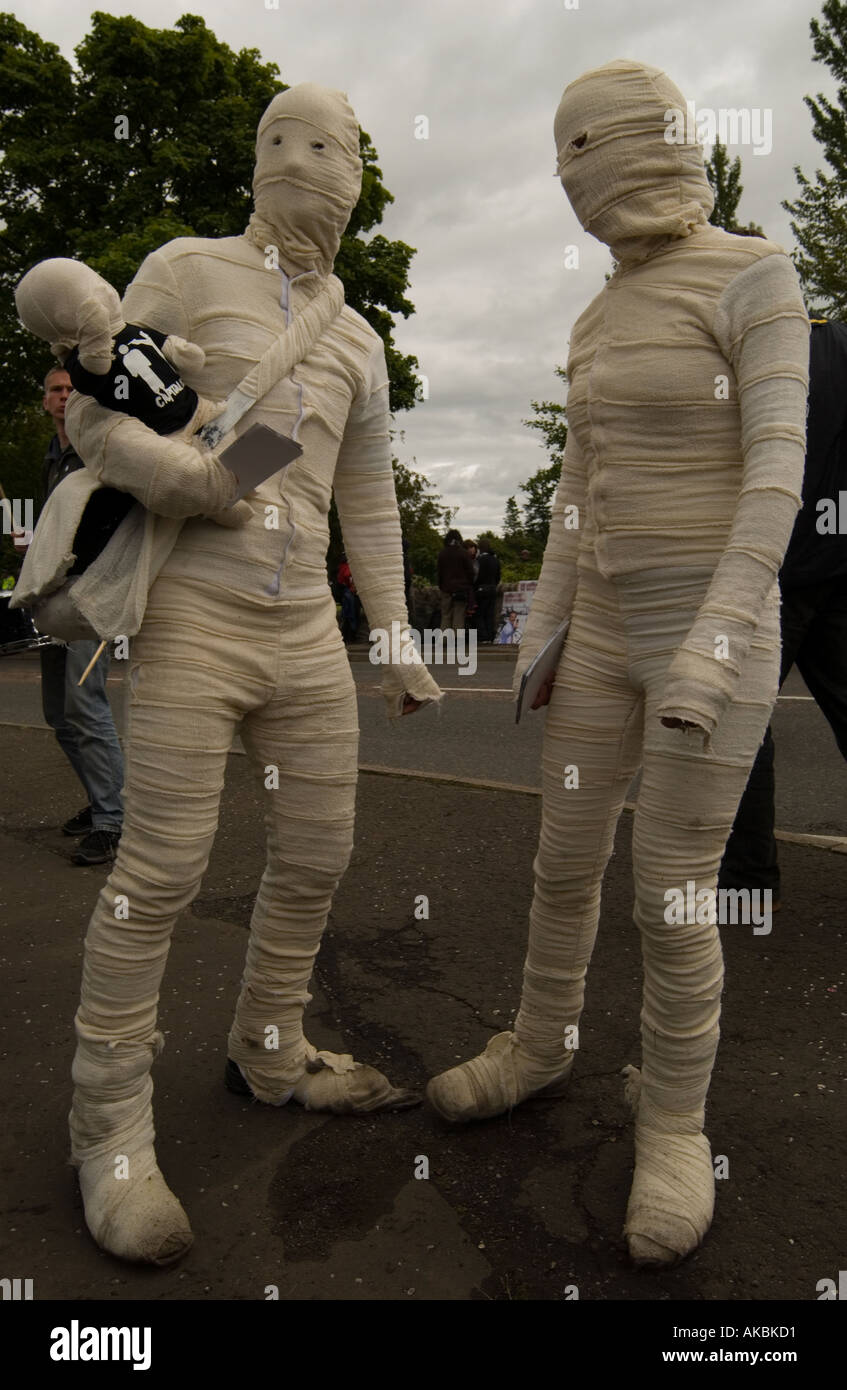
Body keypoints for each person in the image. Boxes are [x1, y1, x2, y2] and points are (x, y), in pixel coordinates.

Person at [427, 60, 809, 1269]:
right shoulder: (595, 319)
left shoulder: (755, 276)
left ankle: (677, 1120)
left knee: (674, 890)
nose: (579, 184)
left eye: (588, 152)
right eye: (565, 163)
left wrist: (713, 638)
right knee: (561, 862)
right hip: (601, 635)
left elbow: (775, 478)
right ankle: (542, 1043)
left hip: (720, 634)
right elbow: (580, 491)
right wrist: (546, 628)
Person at [61, 83, 442, 1267]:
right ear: (265, 167)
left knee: (318, 849)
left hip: (301, 637)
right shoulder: (181, 268)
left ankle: (269, 1041)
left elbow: (366, 495)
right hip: (190, 620)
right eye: (298, 158)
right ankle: (107, 1120)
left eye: (338, 168)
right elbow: (84, 399)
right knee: (162, 863)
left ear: (355, 187)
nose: (316, 187)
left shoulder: (357, 336)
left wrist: (393, 634)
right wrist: (155, 467)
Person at [719, 317, 847, 901]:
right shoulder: (834, 341)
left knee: (740, 725)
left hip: (768, 564)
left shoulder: (746, 347)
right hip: (840, 564)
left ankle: (745, 884)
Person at [17, 367, 124, 865]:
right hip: (53, 600)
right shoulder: (51, 458)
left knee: (86, 707)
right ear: (45, 402)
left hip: (92, 598)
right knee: (58, 716)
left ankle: (113, 820)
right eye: (56, 391)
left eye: (71, 391)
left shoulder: (98, 448)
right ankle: (103, 801)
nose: (63, 398)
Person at [437, 528, 475, 633]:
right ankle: (457, 639)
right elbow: (470, 572)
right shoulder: (463, 553)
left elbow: (439, 572)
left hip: (446, 588)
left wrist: (441, 585)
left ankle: (445, 639)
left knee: (446, 615)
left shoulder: (442, 553)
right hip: (461, 589)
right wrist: (468, 584)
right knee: (459, 614)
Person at [475, 538, 501, 643]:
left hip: (482, 589)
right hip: (493, 588)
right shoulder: (495, 559)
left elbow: (476, 576)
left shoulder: (479, 560)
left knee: (480, 614)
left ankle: (483, 637)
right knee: (490, 614)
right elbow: (498, 576)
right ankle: (490, 636)